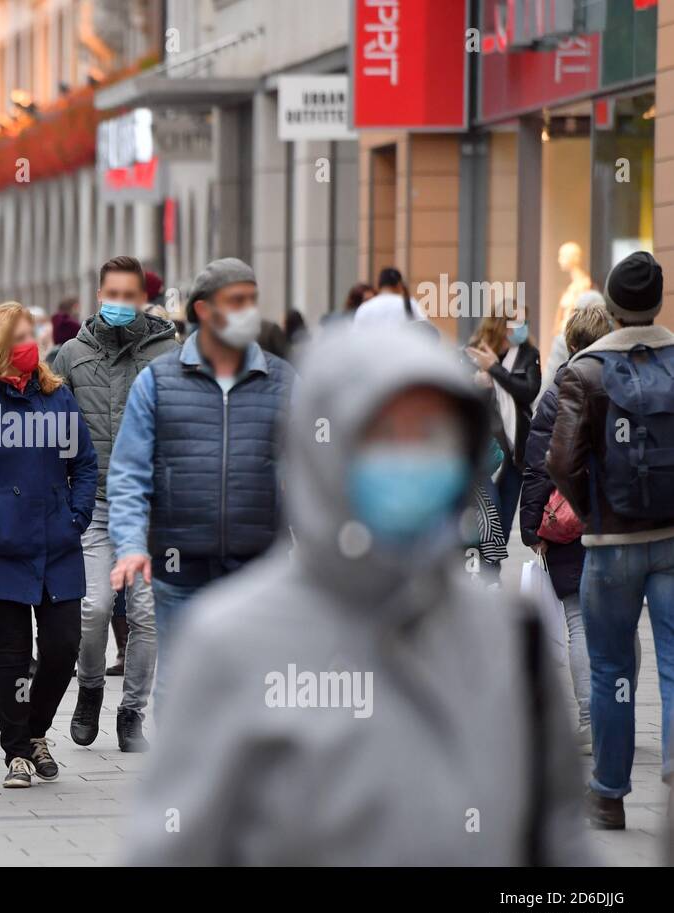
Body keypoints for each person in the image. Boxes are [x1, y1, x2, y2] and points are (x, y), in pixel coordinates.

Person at [127, 325, 588, 865]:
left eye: (432, 434)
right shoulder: (230, 643)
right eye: (385, 434)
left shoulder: (510, 639)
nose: (412, 457)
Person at [108, 257, 296, 708]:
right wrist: (131, 543)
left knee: (255, 683)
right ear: (204, 309)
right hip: (180, 562)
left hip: (259, 564)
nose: (249, 310)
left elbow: (314, 470)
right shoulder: (158, 381)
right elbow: (130, 472)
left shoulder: (283, 381)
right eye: (237, 301)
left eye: (252, 300)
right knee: (180, 684)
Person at [0, 301, 98, 788]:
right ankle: (18, 753)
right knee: (11, 652)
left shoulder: (59, 399)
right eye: (19, 335)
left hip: (57, 545)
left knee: (62, 647)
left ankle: (35, 732)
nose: (29, 343)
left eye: (32, 332)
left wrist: (76, 516)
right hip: (0, 548)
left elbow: (85, 465)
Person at [547, 251, 674, 831]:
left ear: (614, 307)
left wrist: (592, 509)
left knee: (611, 669)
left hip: (608, 544)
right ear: (657, 304)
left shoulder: (584, 370)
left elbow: (561, 460)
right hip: (672, 540)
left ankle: (609, 794)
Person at [51, 256, 176, 752]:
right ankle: (90, 689)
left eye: (131, 295)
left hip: (150, 505)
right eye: (113, 295)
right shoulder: (71, 355)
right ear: (99, 296)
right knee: (94, 607)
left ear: (142, 298)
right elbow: (50, 422)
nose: (121, 304)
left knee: (145, 615)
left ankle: (132, 713)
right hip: (95, 501)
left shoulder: (170, 353)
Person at [520, 302, 615, 752]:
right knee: (621, 624)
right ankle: (618, 713)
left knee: (578, 618)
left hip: (569, 523)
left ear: (572, 345)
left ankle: (588, 718)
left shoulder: (559, 394)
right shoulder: (624, 387)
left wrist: (530, 525)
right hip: (619, 521)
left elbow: (538, 466)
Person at [466, 309, 541, 534]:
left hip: (514, 453)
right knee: (488, 523)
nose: (522, 327)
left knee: (504, 524)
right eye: (517, 322)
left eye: (525, 321)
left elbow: (529, 391)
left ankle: (492, 567)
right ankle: (483, 566)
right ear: (501, 325)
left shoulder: (528, 354)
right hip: (486, 450)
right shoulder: (475, 353)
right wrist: (477, 381)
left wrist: (495, 370)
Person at [352, 267, 427, 330]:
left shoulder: (364, 308)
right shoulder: (410, 303)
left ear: (379, 285)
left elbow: (356, 336)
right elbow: (426, 330)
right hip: (402, 347)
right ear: (399, 285)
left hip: (372, 347)